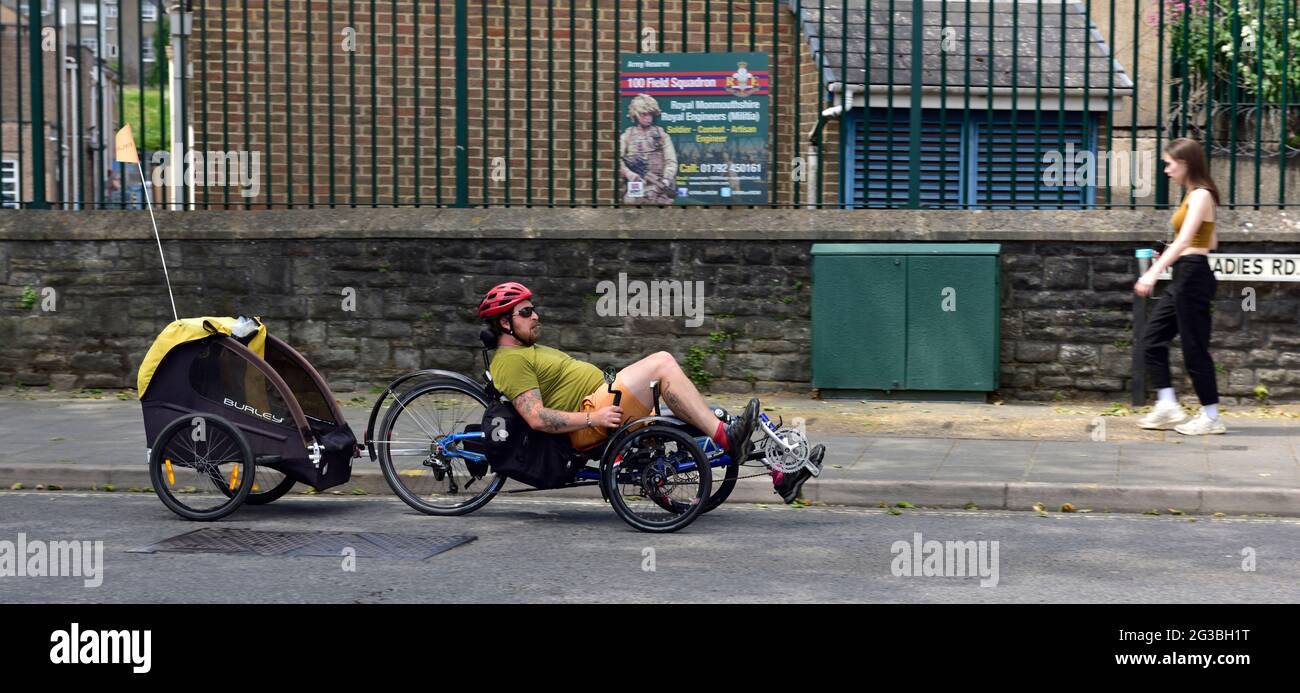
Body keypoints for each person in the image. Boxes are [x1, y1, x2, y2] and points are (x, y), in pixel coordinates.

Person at [478, 281, 823, 503]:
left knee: (704, 413)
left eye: (533, 308)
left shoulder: (525, 350)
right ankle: (727, 439)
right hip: (593, 417)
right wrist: (592, 416)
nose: (536, 316)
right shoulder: (510, 361)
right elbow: (536, 418)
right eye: (526, 312)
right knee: (662, 362)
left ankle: (781, 471)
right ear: (505, 324)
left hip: (602, 399)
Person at [1135, 138, 1225, 435]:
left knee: (1194, 348)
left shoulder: (1200, 195)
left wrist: (1153, 272)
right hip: (1185, 274)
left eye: (1169, 164)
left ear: (1185, 163)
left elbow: (1188, 242)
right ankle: (1167, 405)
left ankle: (1211, 416)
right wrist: (1172, 252)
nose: (1166, 170)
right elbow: (1209, 241)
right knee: (1152, 338)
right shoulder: (1191, 196)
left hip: (1193, 276)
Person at [619, 94, 678, 205]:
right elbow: (617, 160)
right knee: (630, 202)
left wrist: (666, 178)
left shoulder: (661, 135)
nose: (648, 117)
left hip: (658, 184)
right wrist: (629, 174)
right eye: (644, 114)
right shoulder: (628, 135)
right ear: (636, 114)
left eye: (650, 114)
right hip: (636, 185)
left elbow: (671, 161)